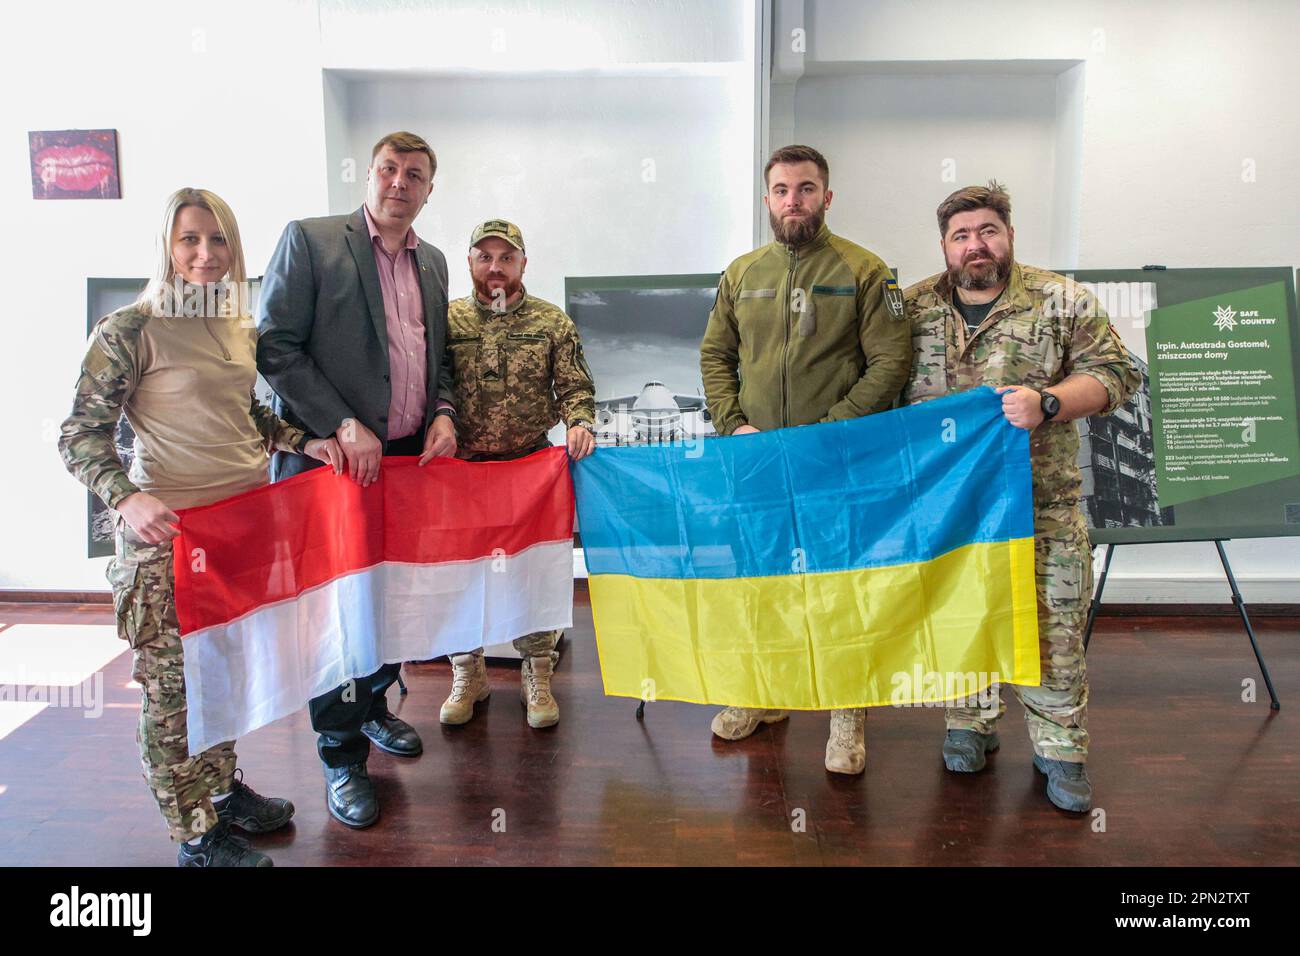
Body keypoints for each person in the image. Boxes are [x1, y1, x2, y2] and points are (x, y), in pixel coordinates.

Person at [59, 187, 344, 866]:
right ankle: (193, 834)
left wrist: (302, 441)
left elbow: (246, 415)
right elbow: (79, 436)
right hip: (169, 542)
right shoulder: (129, 329)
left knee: (221, 674)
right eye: (189, 239)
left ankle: (219, 791)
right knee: (172, 696)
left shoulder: (234, 325)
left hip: (239, 529)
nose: (205, 254)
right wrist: (126, 498)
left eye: (217, 240)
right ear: (167, 245)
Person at [902, 181, 1139, 811]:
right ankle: (968, 724)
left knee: (1054, 624)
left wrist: (1050, 403)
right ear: (945, 246)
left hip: (1044, 506)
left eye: (988, 232)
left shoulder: (1061, 300)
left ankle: (1060, 747)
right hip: (951, 509)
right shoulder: (912, 307)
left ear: (1008, 235)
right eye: (961, 236)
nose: (975, 246)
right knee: (962, 618)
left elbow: (1119, 375)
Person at [256, 131, 456, 829]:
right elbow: (273, 346)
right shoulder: (311, 241)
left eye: (416, 174)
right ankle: (340, 759)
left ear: (431, 189)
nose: (400, 182)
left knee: (386, 600)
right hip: (333, 468)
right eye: (389, 169)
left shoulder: (433, 263)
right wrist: (341, 422)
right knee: (335, 615)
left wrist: (444, 413)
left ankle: (373, 709)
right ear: (369, 175)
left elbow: (439, 358)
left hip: (405, 463)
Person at [699, 145, 912, 774]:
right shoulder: (742, 273)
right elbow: (715, 356)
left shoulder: (865, 270)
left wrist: (832, 431)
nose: (795, 200)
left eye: (807, 188)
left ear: (827, 196)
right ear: (767, 199)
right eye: (783, 189)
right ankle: (762, 693)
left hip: (837, 461)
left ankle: (846, 716)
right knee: (761, 581)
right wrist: (733, 424)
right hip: (758, 460)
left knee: (838, 587)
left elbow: (890, 363)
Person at [436, 219, 596, 730]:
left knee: (531, 573)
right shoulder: (445, 322)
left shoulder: (552, 323)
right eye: (485, 256)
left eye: (506, 257)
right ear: (470, 263)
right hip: (459, 472)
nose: (495, 266)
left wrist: (580, 422)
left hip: (528, 470)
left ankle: (537, 672)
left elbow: (575, 387)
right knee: (462, 573)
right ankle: (468, 671)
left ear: (523, 263)